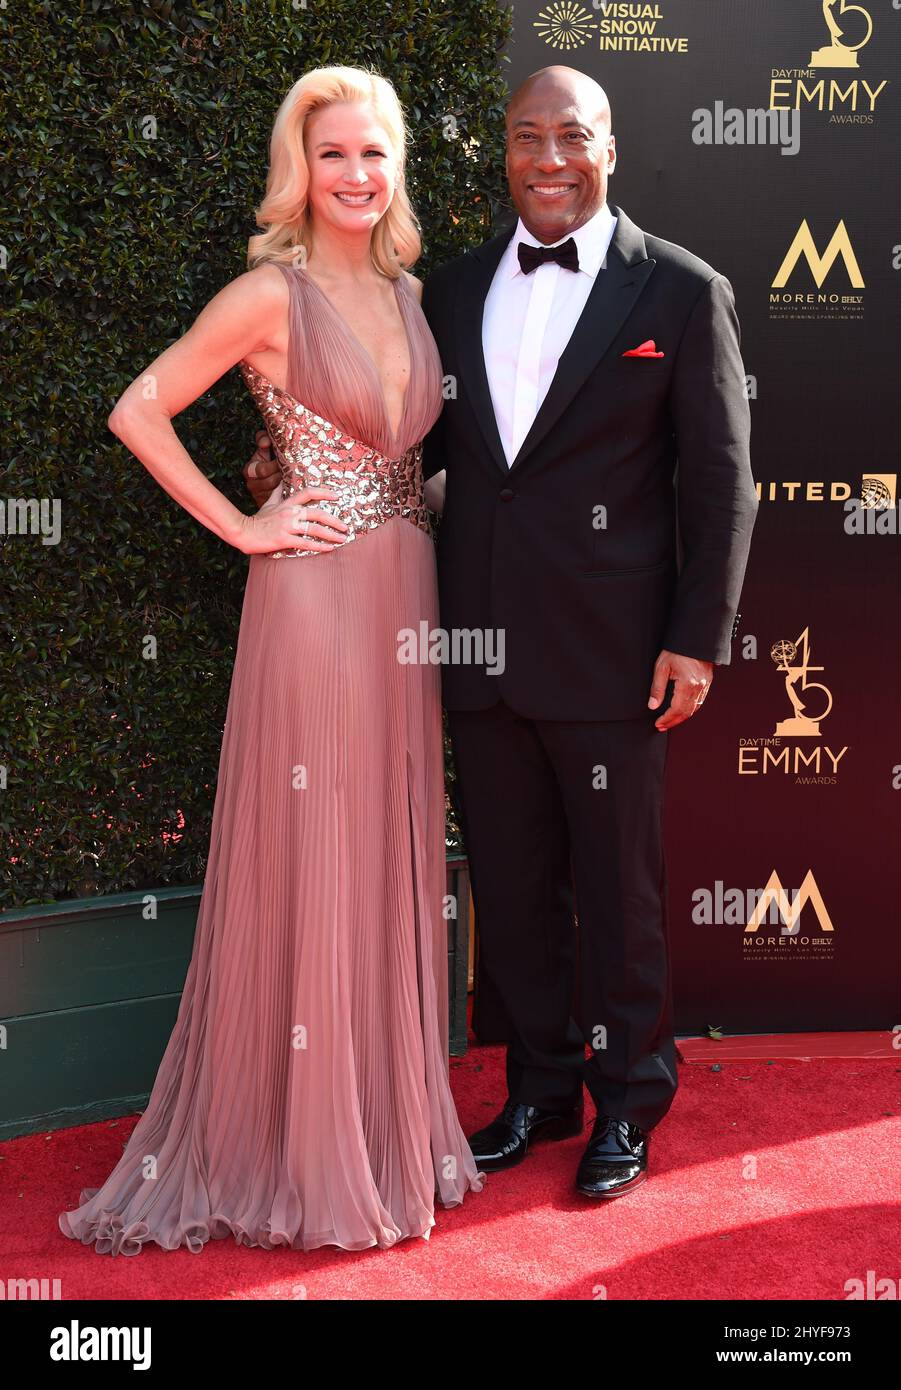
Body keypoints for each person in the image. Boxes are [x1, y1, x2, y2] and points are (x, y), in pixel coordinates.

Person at [245, 64, 758, 1203]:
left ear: (609, 148)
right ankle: (538, 1089)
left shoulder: (680, 292)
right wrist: (289, 464)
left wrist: (697, 637)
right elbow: (410, 440)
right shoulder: (456, 286)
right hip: (468, 646)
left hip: (616, 653)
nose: (547, 159)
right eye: (525, 138)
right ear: (503, 153)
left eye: (569, 136)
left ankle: (628, 1098)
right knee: (515, 889)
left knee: (617, 891)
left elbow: (724, 485)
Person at [59, 65, 484, 1257]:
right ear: (300, 170)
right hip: (311, 603)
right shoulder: (266, 296)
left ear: (400, 167)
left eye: (375, 155)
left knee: (388, 841)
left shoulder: (408, 294)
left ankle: (376, 1126)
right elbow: (140, 409)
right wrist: (247, 525)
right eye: (333, 155)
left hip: (405, 588)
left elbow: (412, 451)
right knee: (318, 845)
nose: (356, 176)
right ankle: (297, 1145)